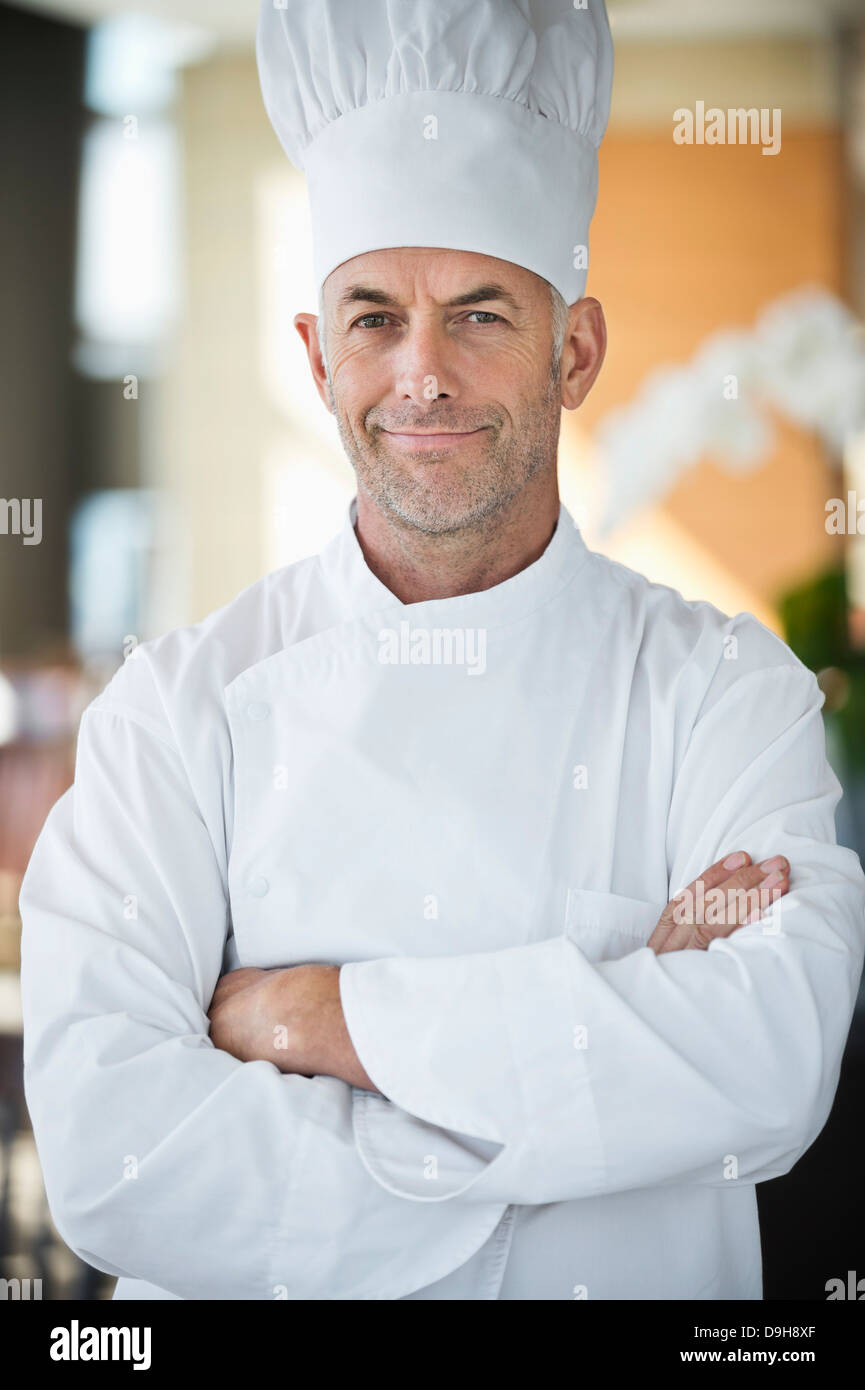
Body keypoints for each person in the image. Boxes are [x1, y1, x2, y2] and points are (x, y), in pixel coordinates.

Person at [19, 0, 865, 1301]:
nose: (420, 374)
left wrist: (307, 1017)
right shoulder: (175, 713)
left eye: (478, 313)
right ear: (312, 355)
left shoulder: (725, 692)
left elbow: (767, 1062)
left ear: (571, 350)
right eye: (371, 317)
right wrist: (602, 1043)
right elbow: (119, 1158)